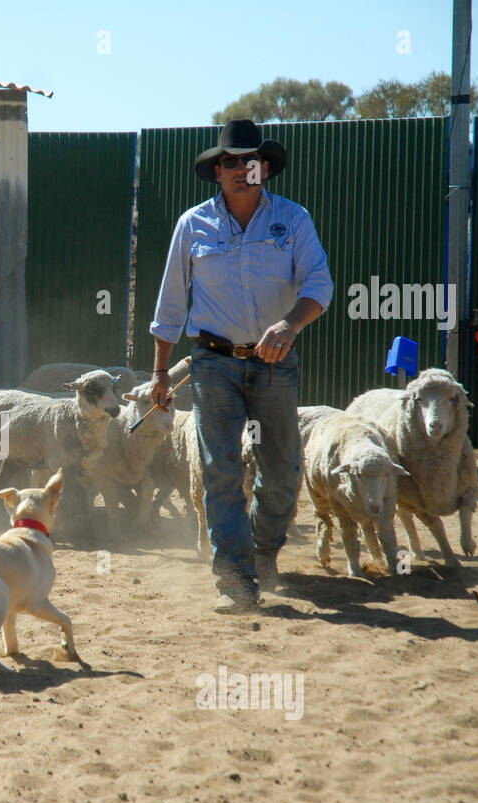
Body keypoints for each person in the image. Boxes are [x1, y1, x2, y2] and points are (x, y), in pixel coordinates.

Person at [149, 119, 333, 613]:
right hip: (213, 363)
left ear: (264, 167)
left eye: (248, 161)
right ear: (217, 172)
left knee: (282, 471)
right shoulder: (193, 226)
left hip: (276, 362)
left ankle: (261, 552)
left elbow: (320, 285)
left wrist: (290, 325)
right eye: (228, 162)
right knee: (220, 468)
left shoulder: (293, 221)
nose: (238, 169)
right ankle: (234, 578)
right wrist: (160, 373)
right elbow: (169, 305)